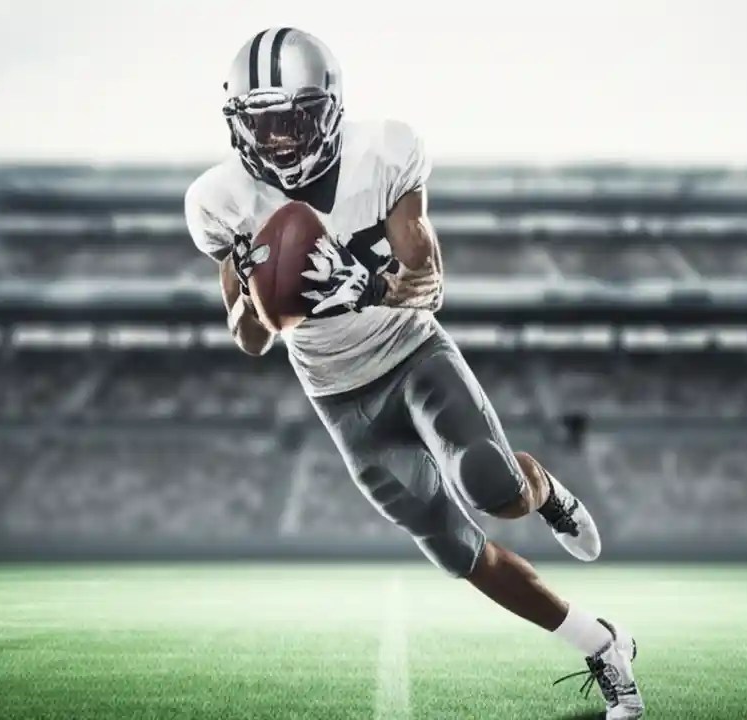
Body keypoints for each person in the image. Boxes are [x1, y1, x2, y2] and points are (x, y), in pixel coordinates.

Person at [184, 27, 643, 719]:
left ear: (329, 108)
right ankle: (604, 644)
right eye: (262, 121)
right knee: (454, 549)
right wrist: (256, 289)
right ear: (237, 123)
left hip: (410, 354)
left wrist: (353, 283)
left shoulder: (385, 152)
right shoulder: (219, 200)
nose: (277, 139)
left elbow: (423, 280)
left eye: (292, 118)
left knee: (494, 489)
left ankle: (541, 489)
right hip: (338, 393)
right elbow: (249, 340)